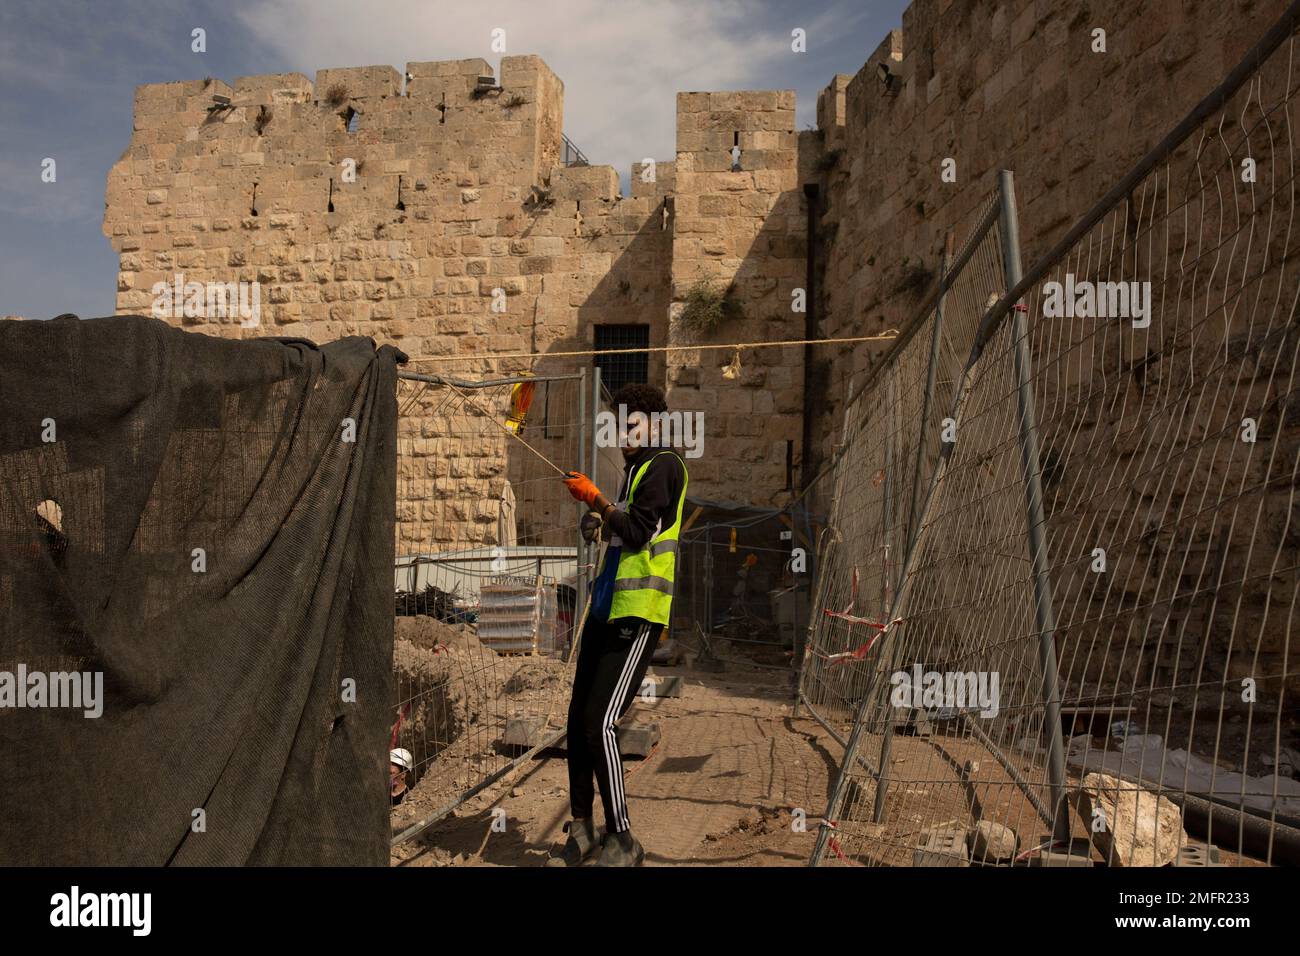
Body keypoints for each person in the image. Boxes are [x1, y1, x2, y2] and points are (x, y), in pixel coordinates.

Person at [549, 383, 688, 867]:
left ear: (654, 424)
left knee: (602, 723)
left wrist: (597, 502)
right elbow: (618, 530)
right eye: (618, 426)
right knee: (577, 719)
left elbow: (636, 531)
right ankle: (583, 828)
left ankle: (623, 839)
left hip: (639, 614)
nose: (623, 434)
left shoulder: (664, 466)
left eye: (631, 425)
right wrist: (598, 518)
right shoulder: (634, 473)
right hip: (607, 609)